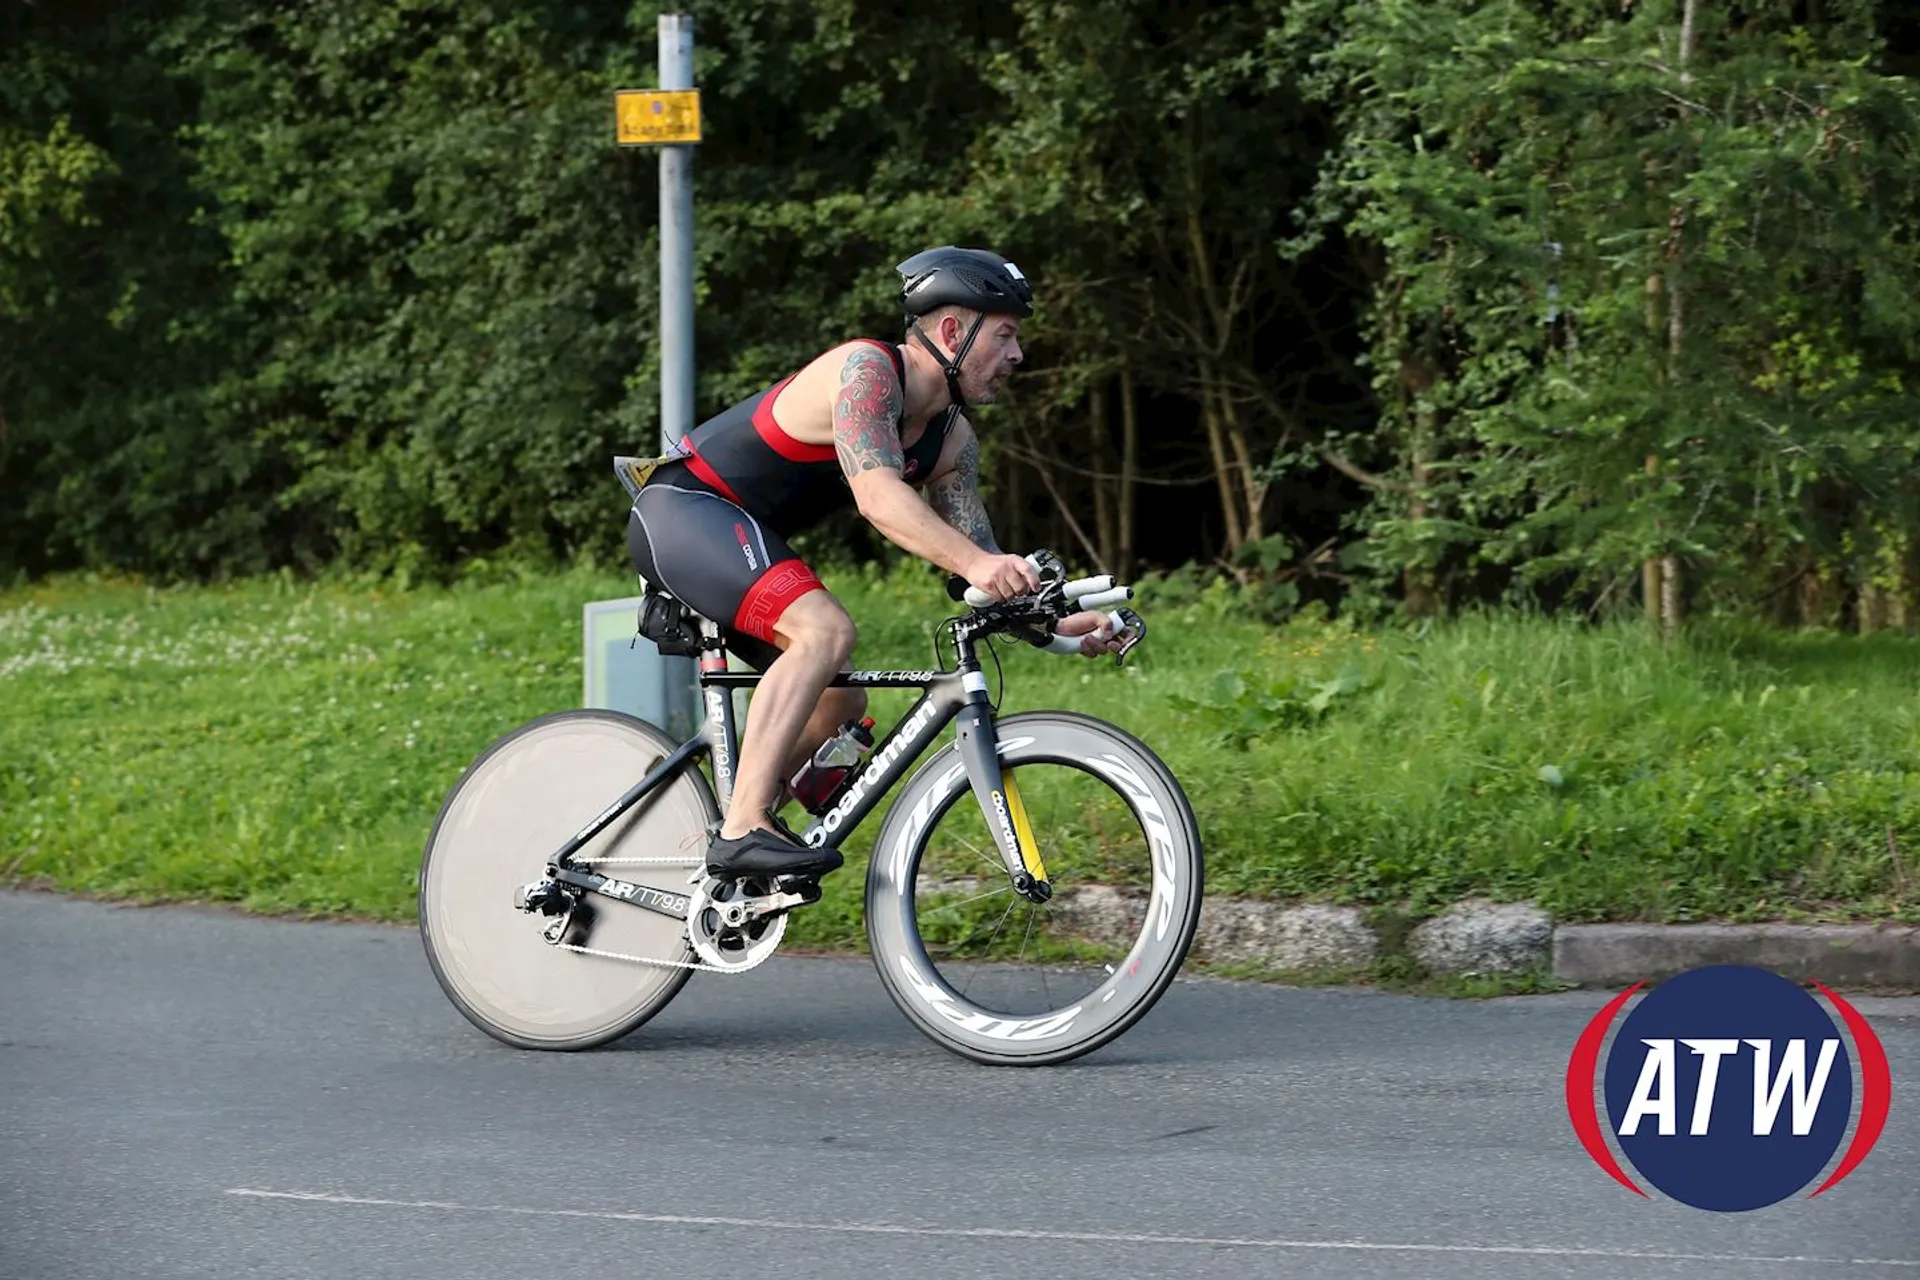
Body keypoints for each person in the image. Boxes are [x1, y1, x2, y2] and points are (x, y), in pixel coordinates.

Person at [624, 245, 1124, 881]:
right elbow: (879, 496)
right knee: (824, 631)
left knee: (838, 702)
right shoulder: (869, 371)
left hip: (743, 535)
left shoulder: (952, 439)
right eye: (1004, 335)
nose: (1018, 355)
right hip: (685, 509)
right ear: (952, 331)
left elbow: (977, 555)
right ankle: (743, 827)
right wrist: (978, 564)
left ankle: (714, 855)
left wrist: (1051, 626)